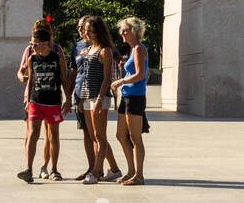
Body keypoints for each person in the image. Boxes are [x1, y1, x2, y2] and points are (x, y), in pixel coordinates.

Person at [16, 26, 71, 182]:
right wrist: (27, 100)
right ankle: (28, 169)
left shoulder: (57, 58)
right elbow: (31, 80)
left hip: (53, 101)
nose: (32, 47)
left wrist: (68, 99)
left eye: (35, 44)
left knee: (53, 134)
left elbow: (64, 80)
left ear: (45, 43)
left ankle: (54, 169)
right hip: (36, 100)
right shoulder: (32, 58)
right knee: (33, 133)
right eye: (32, 44)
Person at [71, 16, 121, 183]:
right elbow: (83, 75)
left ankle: (96, 172)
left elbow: (107, 78)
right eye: (85, 30)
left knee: (100, 136)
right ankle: (113, 169)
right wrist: (79, 99)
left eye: (90, 30)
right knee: (93, 136)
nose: (86, 33)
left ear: (98, 31)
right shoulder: (89, 49)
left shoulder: (105, 50)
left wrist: (100, 98)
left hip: (99, 97)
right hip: (85, 96)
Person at [109, 17, 149, 186]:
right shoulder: (132, 50)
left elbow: (140, 74)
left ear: (134, 31)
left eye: (125, 30)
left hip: (135, 97)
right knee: (120, 135)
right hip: (127, 96)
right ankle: (131, 171)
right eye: (121, 30)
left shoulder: (139, 49)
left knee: (135, 137)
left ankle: (139, 175)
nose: (122, 33)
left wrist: (121, 81)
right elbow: (144, 75)